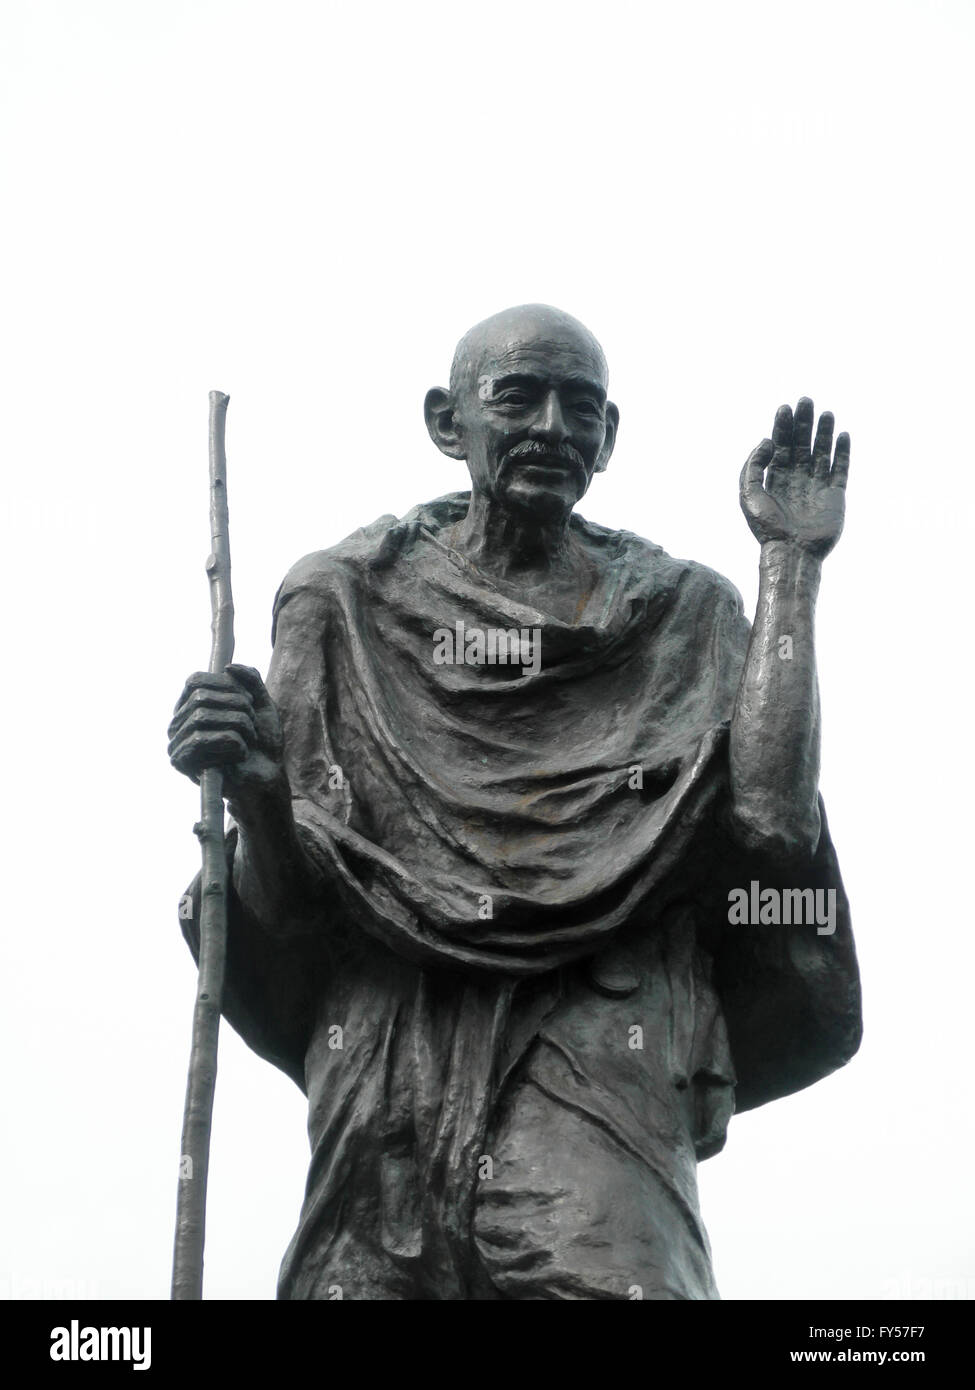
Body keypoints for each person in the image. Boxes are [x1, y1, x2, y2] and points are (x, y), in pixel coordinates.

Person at [168, 304, 861, 1300]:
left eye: (580, 407)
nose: (551, 426)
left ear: (609, 438)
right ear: (449, 422)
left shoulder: (683, 610)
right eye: (518, 396)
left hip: (595, 1032)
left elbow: (775, 822)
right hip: (393, 1051)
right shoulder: (343, 600)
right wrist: (258, 790)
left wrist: (789, 569)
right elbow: (290, 902)